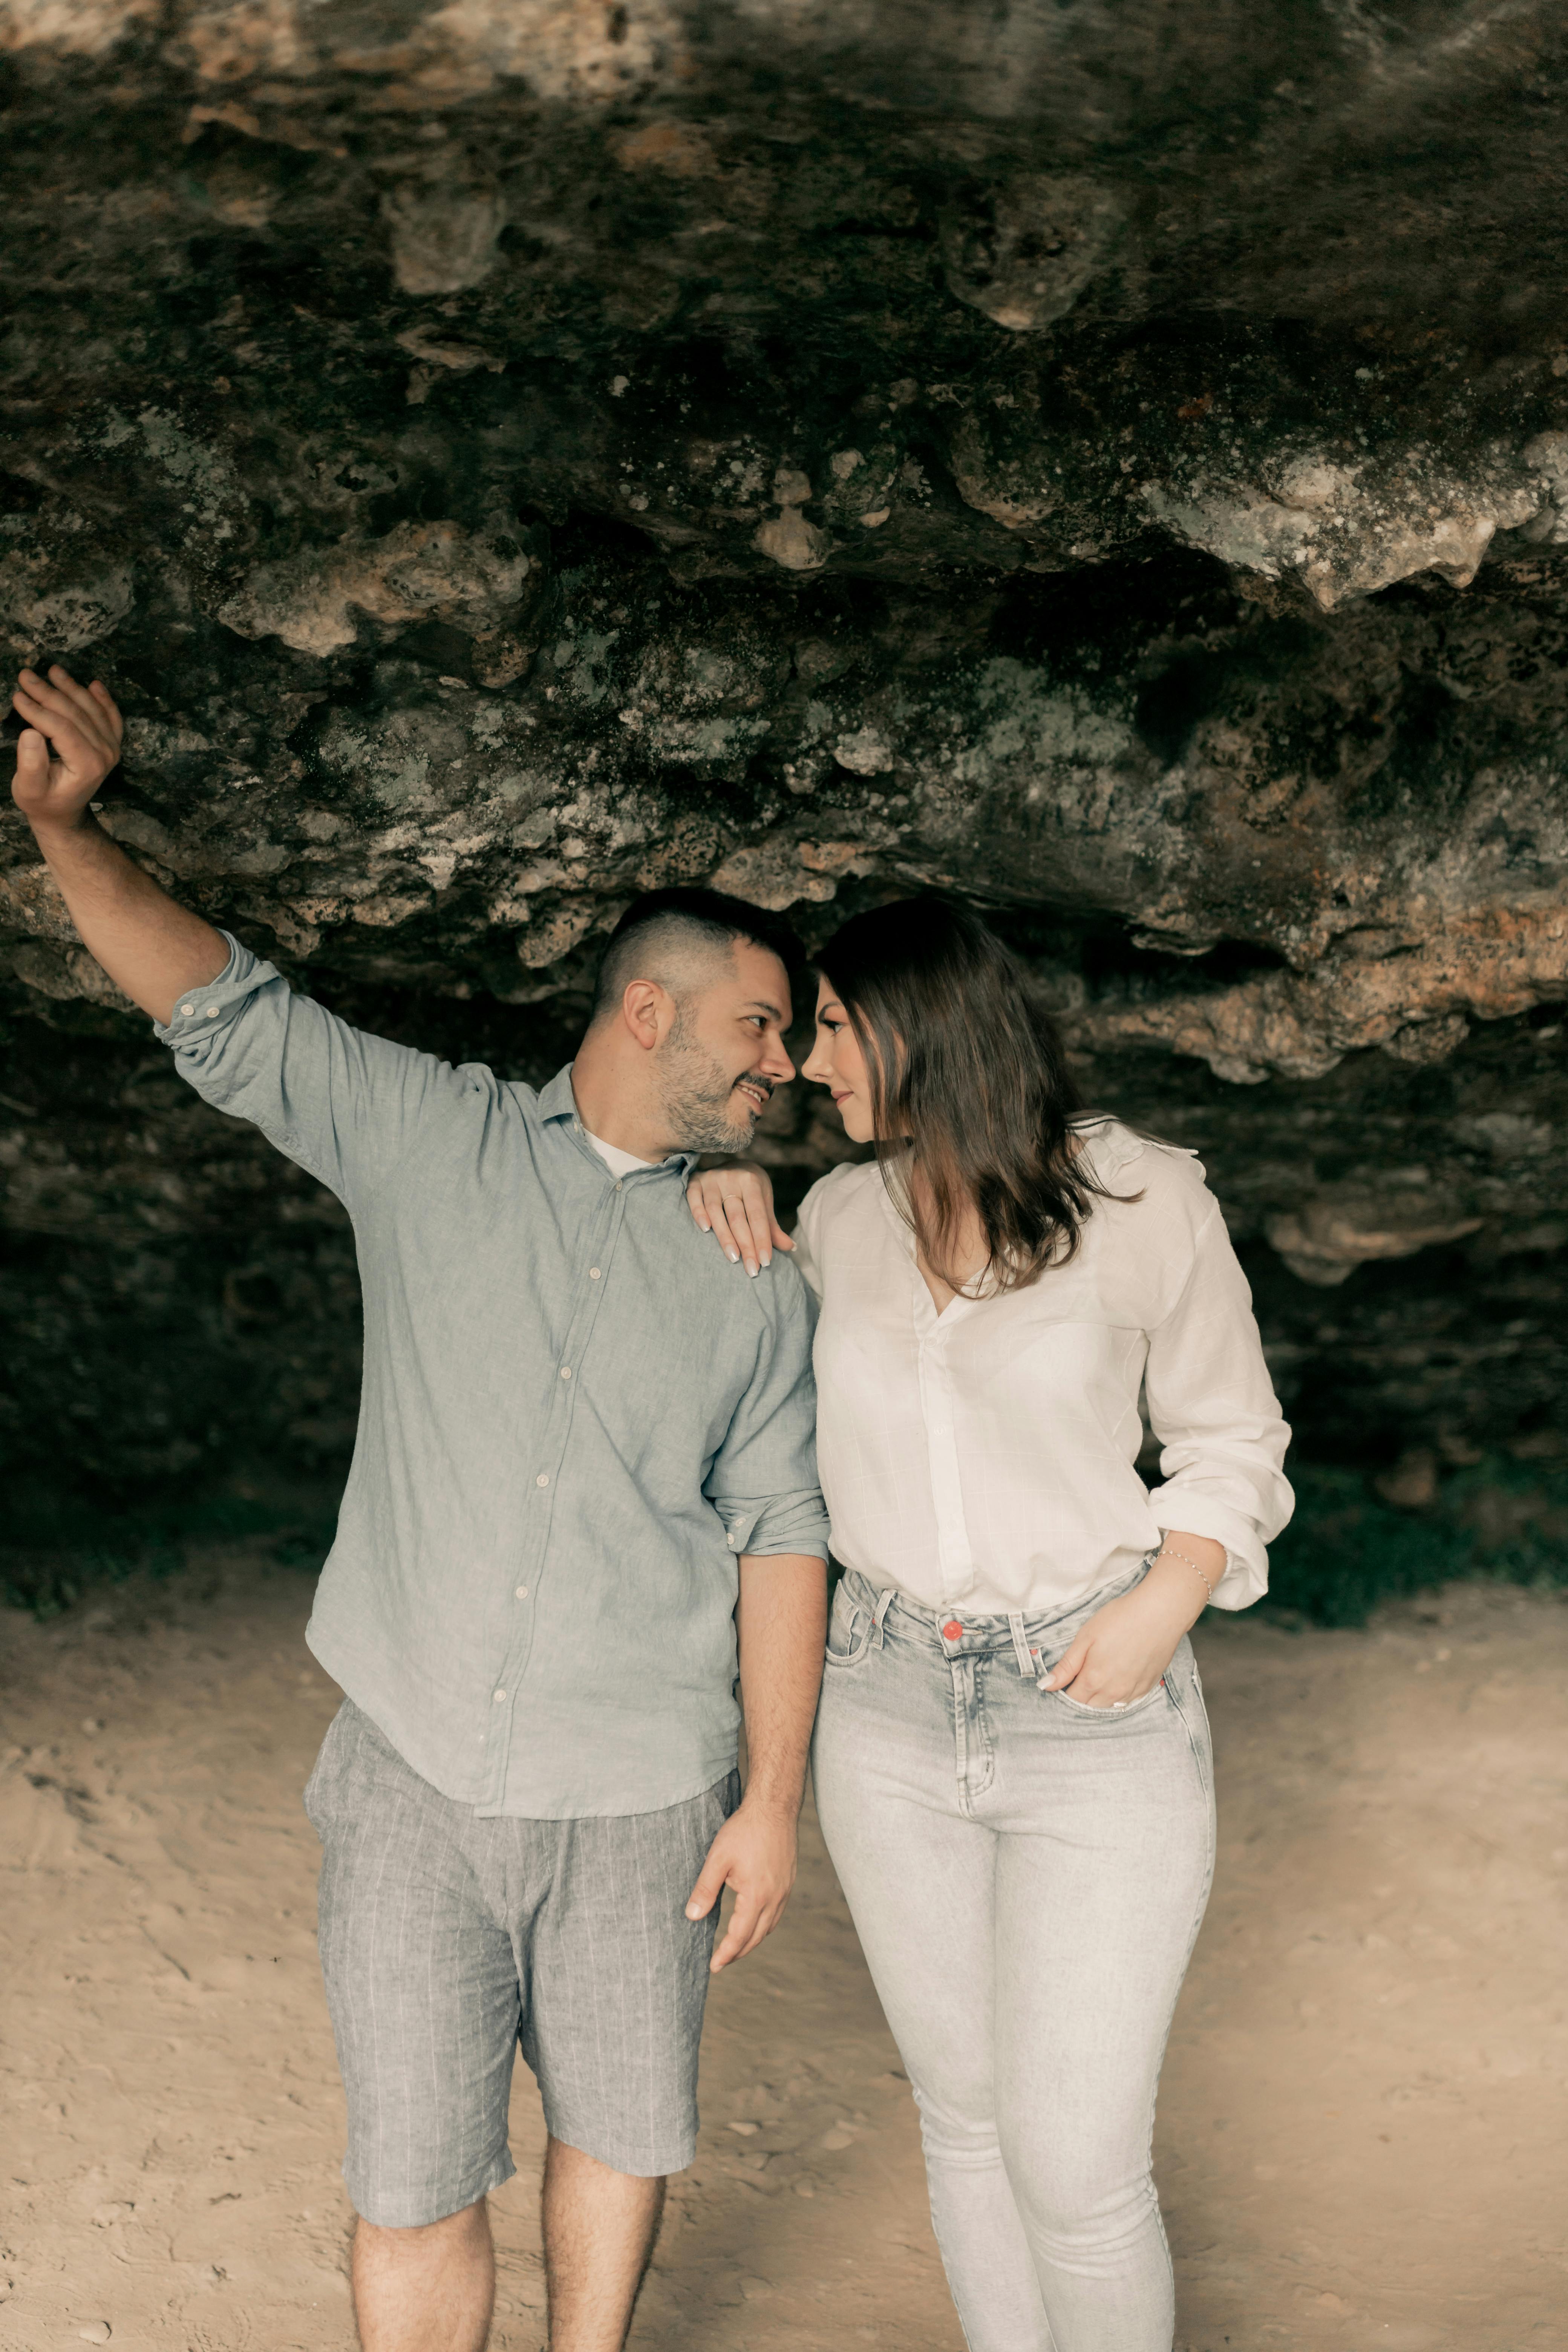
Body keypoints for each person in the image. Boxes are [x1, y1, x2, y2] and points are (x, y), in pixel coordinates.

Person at [10, 663, 833, 2352]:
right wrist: (64, 830)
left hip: (643, 1800)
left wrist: (771, 1803)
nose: (788, 1066)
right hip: (411, 1777)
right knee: (410, 2181)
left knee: (618, 2141)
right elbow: (223, 1008)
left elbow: (783, 1534)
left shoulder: (759, 1268)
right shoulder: (429, 1140)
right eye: (762, 1028)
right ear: (649, 1011)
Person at [687, 895, 1294, 2352]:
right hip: (886, 1704)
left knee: (1075, 2168)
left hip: (1093, 1707)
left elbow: (1234, 1435)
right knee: (963, 2119)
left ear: (925, 1023)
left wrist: (1167, 1598)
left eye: (835, 1024)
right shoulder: (842, 1219)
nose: (807, 1063)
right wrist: (717, 1176)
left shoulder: (1141, 1197)